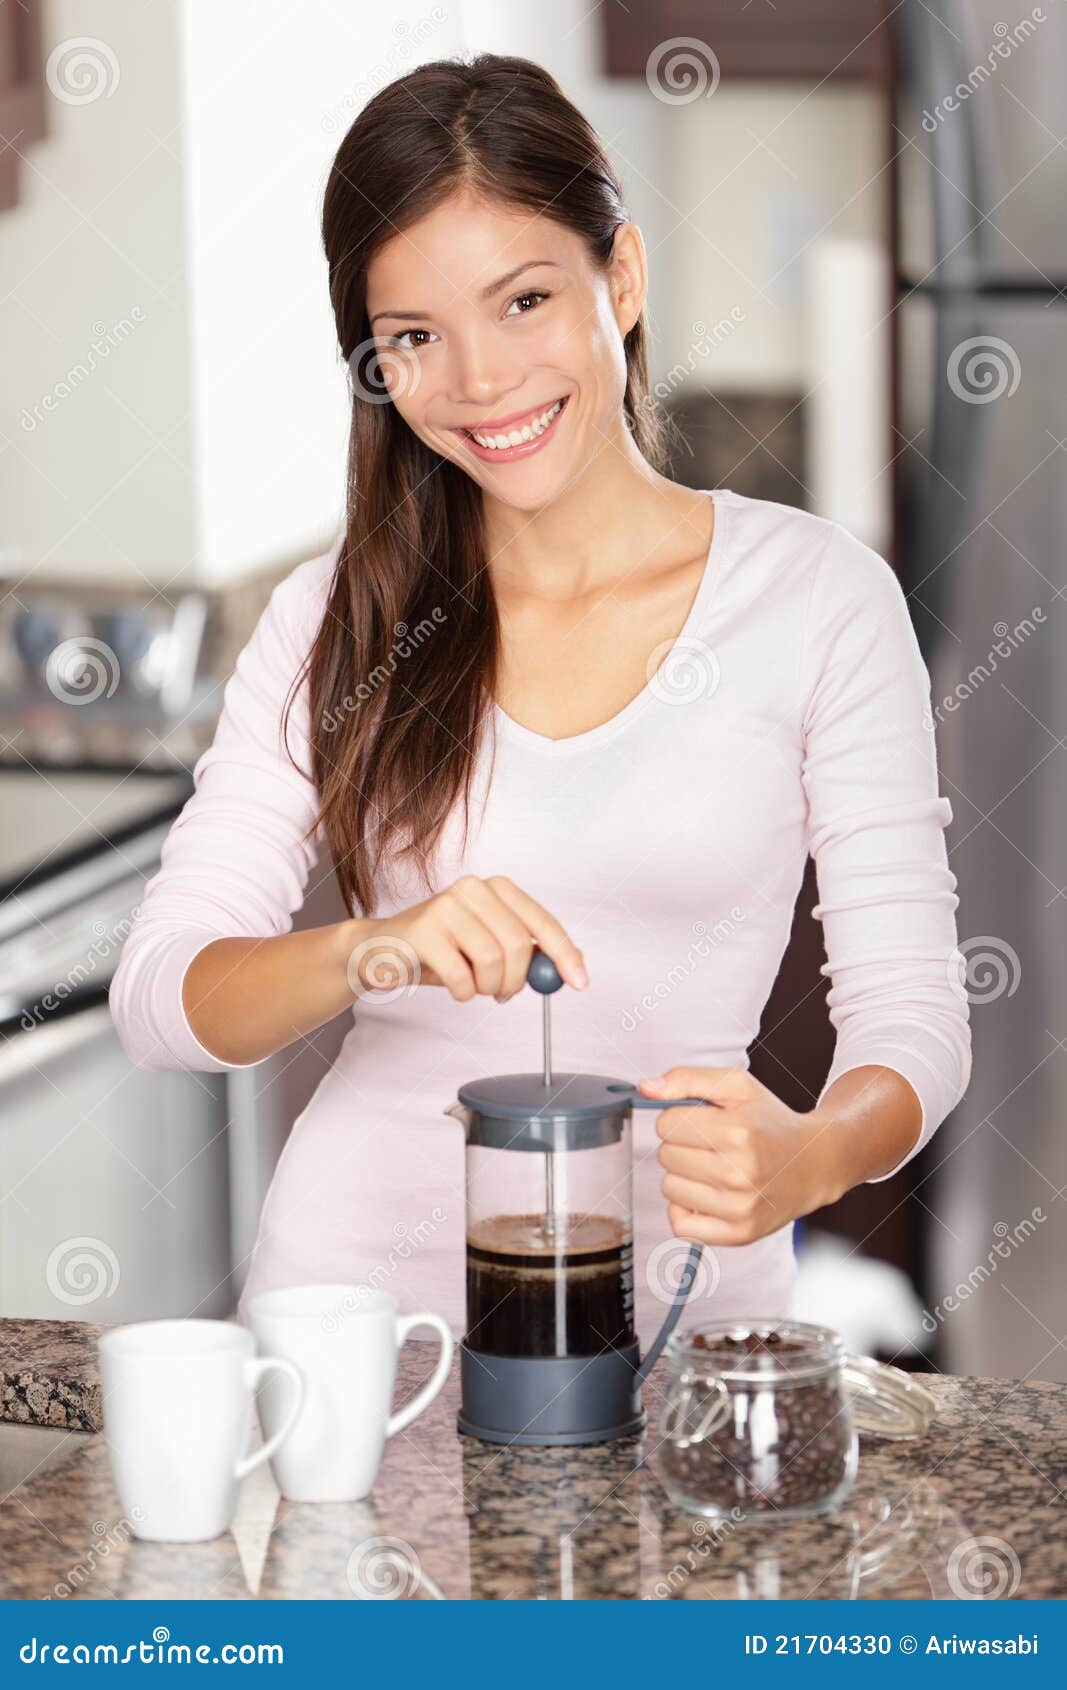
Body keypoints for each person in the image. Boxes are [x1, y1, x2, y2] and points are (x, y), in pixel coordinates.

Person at [109, 53, 971, 1341]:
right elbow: (163, 998)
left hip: (685, 1328)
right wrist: (367, 947)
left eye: (522, 301)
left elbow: (914, 1019)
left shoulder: (817, 600)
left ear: (618, 279)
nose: (479, 380)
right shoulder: (338, 618)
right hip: (350, 1331)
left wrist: (813, 1156)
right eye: (414, 337)